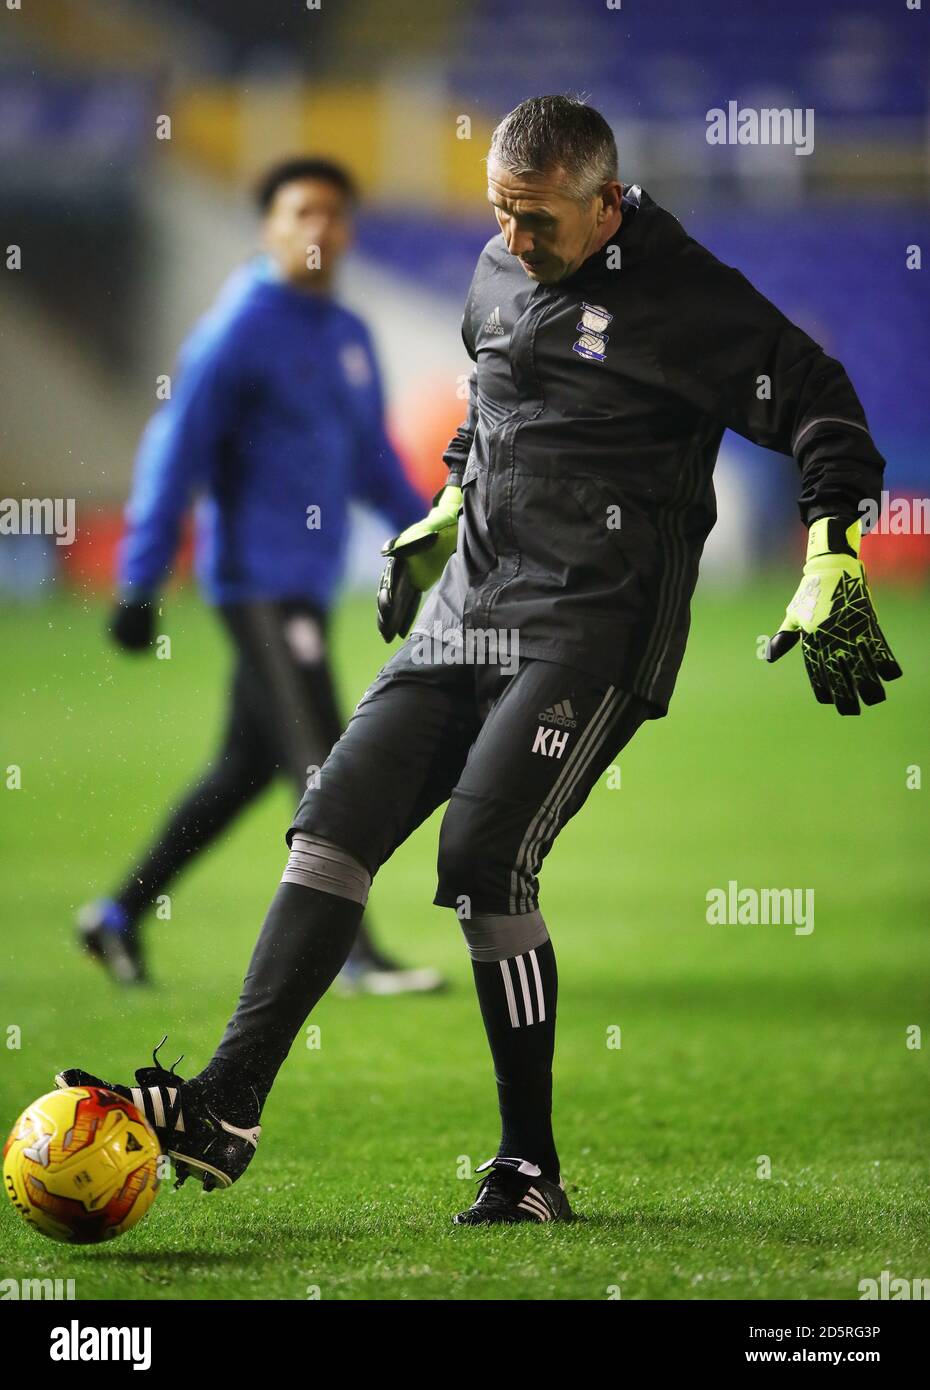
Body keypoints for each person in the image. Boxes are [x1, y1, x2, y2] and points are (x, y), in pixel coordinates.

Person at [60, 97, 900, 1223]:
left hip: (594, 628)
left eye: (538, 220)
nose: (513, 239)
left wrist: (832, 545)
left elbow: (821, 403)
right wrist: (448, 504)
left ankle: (528, 1171)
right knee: (331, 820)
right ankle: (225, 1108)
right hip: (468, 609)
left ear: (606, 204)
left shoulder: (688, 298)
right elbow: (490, 401)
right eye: (501, 215)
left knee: (484, 852)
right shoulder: (499, 266)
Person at [78, 155, 443, 997]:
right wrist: (138, 581)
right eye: (299, 213)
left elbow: (374, 462)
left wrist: (437, 537)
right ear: (269, 228)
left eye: (331, 214)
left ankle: (117, 915)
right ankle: (349, 952)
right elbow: (176, 449)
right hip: (256, 584)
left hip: (306, 585)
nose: (317, 229)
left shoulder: (347, 334)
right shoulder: (238, 328)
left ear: (348, 229)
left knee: (245, 768)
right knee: (332, 764)